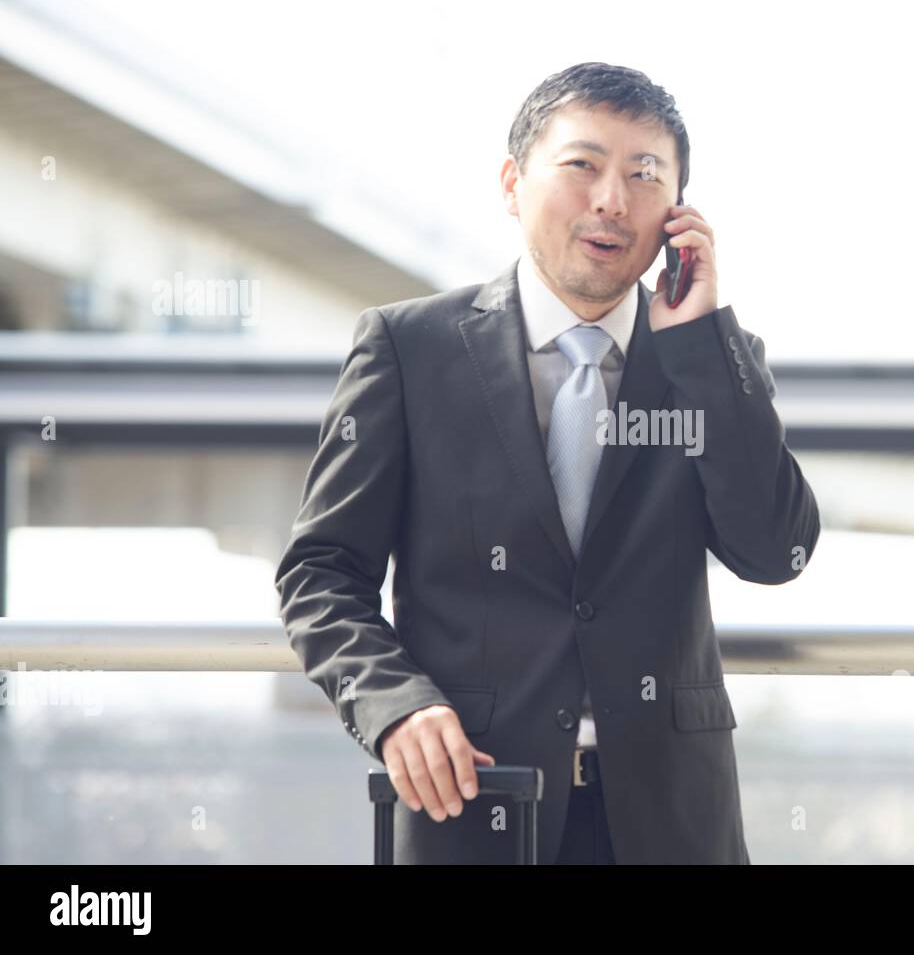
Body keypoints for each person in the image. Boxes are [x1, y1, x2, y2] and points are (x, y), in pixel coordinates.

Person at [274, 61, 820, 864]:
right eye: (583, 165)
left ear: (677, 210)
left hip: (672, 823)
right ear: (512, 182)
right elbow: (320, 571)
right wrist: (394, 707)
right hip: (478, 804)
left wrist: (703, 348)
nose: (612, 199)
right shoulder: (409, 349)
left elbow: (776, 551)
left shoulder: (712, 362)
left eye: (645, 175)